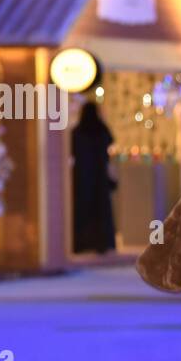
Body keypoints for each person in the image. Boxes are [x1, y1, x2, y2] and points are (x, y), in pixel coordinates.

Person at [71, 100, 116, 254]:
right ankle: (102, 243)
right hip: (99, 177)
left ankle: (81, 243)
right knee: (100, 210)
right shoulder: (102, 130)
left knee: (83, 210)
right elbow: (110, 143)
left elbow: (71, 150)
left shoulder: (77, 131)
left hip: (82, 177)